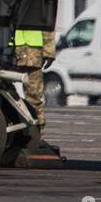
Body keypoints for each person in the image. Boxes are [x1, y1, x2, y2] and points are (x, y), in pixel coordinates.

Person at [10, 26, 62, 167]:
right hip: (13, 51)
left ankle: (36, 135)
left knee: (34, 97)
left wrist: (49, 51)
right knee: (6, 92)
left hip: (29, 52)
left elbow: (47, 24)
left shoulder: (36, 6)